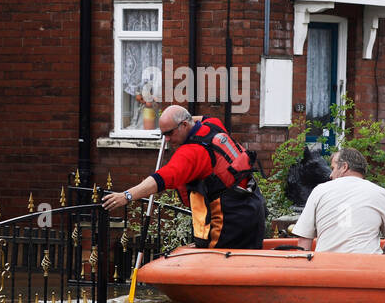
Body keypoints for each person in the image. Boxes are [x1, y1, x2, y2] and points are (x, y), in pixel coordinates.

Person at [102, 105, 266, 249]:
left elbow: (159, 180)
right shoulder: (213, 125)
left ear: (185, 125)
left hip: (230, 220)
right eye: (163, 134)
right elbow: (201, 118)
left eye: (170, 133)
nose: (166, 139)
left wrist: (127, 195)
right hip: (252, 205)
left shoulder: (191, 153)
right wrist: (174, 122)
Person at [290, 147, 385, 255]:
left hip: (327, 267)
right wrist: (384, 251)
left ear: (344, 167)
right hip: (366, 268)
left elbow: (304, 242)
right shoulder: (379, 193)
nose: (330, 175)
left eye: (333, 168)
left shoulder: (320, 190)